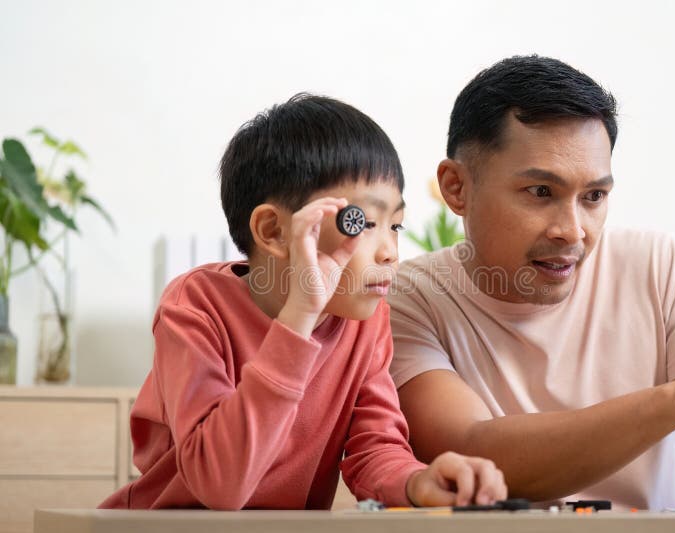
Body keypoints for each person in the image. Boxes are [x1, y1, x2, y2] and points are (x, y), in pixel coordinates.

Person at [388, 55, 675, 510]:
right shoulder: (410, 298)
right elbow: (470, 448)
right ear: (456, 187)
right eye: (541, 192)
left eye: (594, 197)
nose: (573, 229)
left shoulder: (659, 268)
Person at [99, 94, 507, 510]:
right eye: (362, 223)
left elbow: (375, 449)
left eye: (396, 225)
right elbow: (218, 484)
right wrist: (300, 316)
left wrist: (419, 482)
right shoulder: (194, 307)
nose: (390, 252)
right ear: (274, 232)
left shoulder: (365, 324)